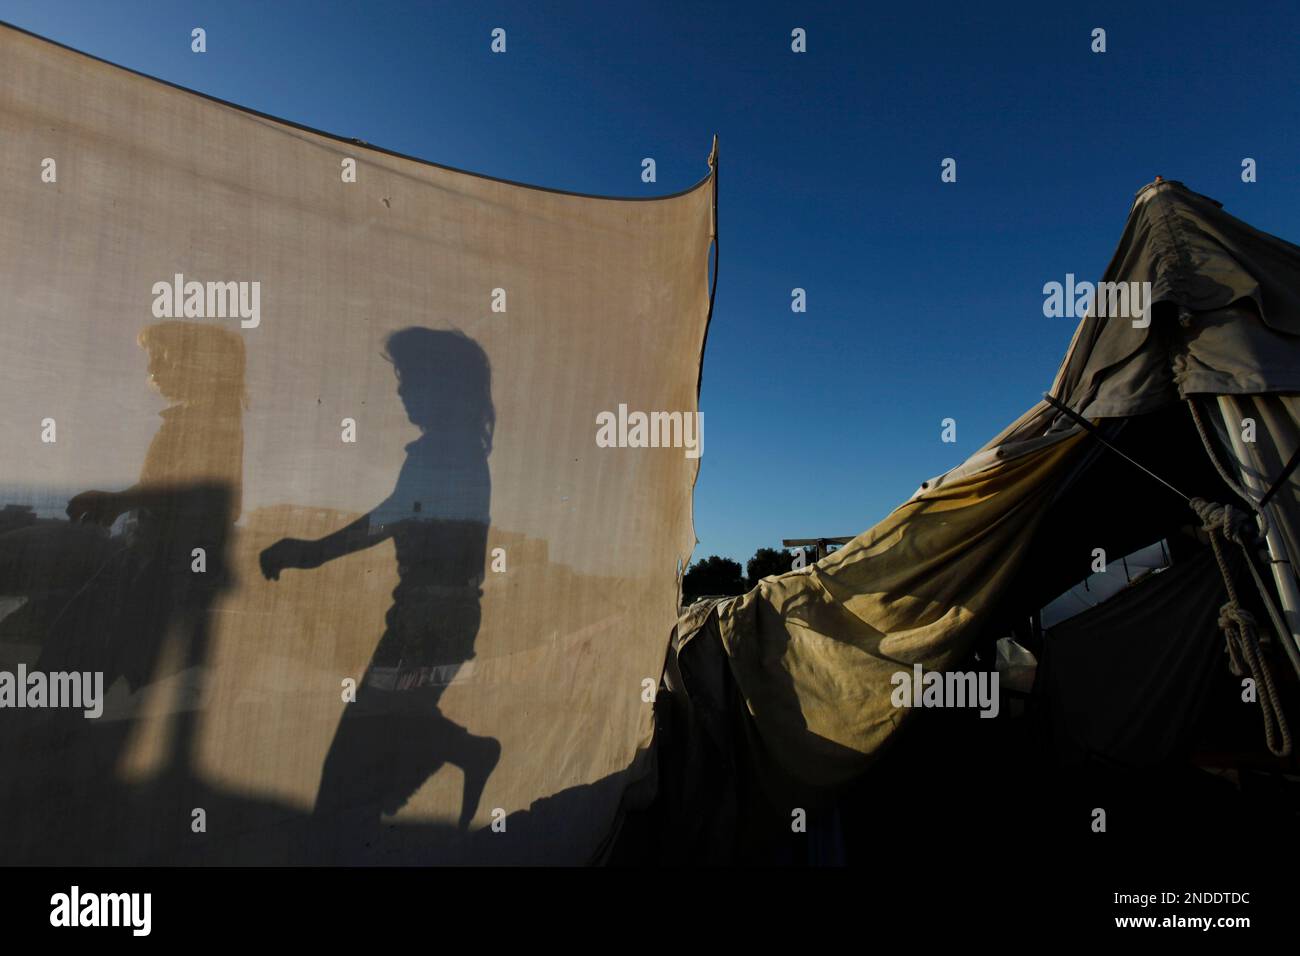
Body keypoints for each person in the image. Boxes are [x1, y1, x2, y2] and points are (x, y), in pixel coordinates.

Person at [260, 327, 500, 852]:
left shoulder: (441, 455)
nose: (400, 392)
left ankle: (340, 841)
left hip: (426, 626)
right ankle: (468, 752)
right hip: (441, 620)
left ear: (446, 386)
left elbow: (388, 520)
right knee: (388, 729)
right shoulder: (457, 453)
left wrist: (312, 552)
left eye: (410, 379)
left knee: (354, 762)